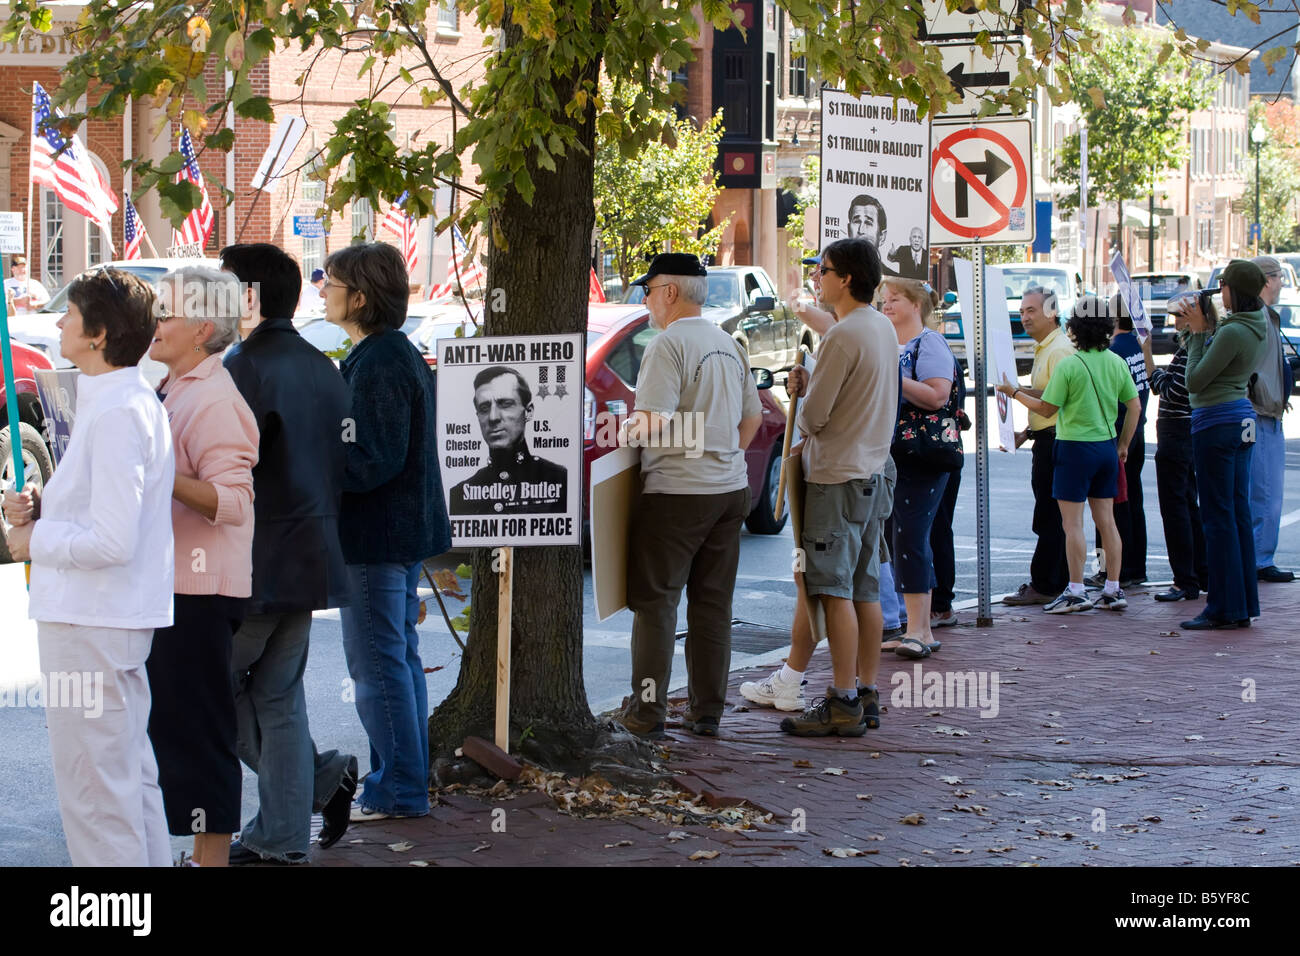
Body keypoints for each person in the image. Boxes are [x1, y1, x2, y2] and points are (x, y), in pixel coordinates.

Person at [0, 269, 173, 866]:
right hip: (101, 620)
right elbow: (105, 514)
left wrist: (36, 540)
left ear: (98, 334)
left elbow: (112, 538)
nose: (58, 323)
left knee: (96, 790)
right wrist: (43, 509)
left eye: (69, 315)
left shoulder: (121, 409)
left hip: (92, 621)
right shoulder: (121, 402)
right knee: (123, 779)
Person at [221, 242, 359, 864]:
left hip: (256, 562)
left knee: (206, 688)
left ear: (246, 296)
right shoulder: (322, 366)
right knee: (275, 698)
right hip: (311, 557)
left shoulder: (242, 368)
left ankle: (317, 785)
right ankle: (284, 829)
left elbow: (228, 476)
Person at [742, 244, 898, 730]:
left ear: (847, 279)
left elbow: (814, 415)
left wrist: (802, 390)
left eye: (823, 271)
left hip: (836, 478)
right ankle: (865, 693)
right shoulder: (881, 327)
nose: (817, 279)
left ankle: (843, 700)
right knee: (864, 588)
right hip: (872, 471)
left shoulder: (843, 335)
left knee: (833, 592)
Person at [324, 241, 451, 819]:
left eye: (331, 282)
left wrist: (313, 460)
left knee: (378, 668)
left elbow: (374, 457)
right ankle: (403, 778)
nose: (323, 291)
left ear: (360, 296)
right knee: (396, 661)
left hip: (378, 537)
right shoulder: (386, 354)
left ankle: (399, 788)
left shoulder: (379, 361)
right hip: (395, 534)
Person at [616, 253, 762, 739]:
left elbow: (652, 419)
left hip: (676, 492)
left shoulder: (667, 344)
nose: (645, 298)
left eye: (649, 289)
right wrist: (722, 457)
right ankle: (707, 711)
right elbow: (752, 420)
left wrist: (617, 435)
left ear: (671, 292)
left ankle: (647, 712)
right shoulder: (728, 342)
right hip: (729, 489)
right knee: (712, 605)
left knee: (656, 604)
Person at [144, 265, 258, 867]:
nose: (154, 324)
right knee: (174, 731)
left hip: (199, 592)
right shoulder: (174, 387)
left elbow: (234, 502)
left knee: (200, 734)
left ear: (203, 328)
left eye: (166, 314)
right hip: (170, 587)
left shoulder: (214, 396)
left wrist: (163, 476)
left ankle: (210, 861)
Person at [998, 295, 1140, 614]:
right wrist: (1123, 444)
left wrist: (1015, 393)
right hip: (1106, 447)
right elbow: (1134, 406)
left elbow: (1047, 406)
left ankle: (1075, 590)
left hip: (1074, 448)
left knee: (1072, 524)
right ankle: (1113, 588)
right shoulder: (1115, 361)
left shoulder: (1071, 364)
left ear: (1074, 327)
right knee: (1107, 522)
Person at [1176, 260, 1270, 630]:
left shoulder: (1233, 332)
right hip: (1240, 421)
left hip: (1217, 423)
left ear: (1236, 290)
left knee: (1217, 519)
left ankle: (1222, 608)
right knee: (1237, 515)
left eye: (1224, 287)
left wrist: (1199, 334)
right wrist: (1200, 330)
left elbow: (1196, 381)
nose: (1220, 293)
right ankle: (1241, 604)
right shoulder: (1256, 323)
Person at [880, 275, 958, 656]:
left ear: (916, 304)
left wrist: (893, 376)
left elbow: (937, 395)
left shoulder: (929, 343)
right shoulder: (888, 344)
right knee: (896, 537)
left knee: (911, 535)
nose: (887, 305)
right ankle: (914, 625)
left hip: (923, 454)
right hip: (892, 452)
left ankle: (921, 630)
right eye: (884, 300)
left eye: (895, 299)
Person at [1003, 287, 1075, 607]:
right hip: (1047, 437)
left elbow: (1050, 405)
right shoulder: (1047, 347)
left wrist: (1013, 393)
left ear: (1051, 312)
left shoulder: (1058, 350)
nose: (1024, 317)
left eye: (1031, 310)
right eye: (1022, 311)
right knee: (1050, 515)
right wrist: (1026, 431)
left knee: (1050, 516)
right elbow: (1046, 393)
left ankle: (1047, 584)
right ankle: (1053, 580)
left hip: (1057, 440)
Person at [1141, 291, 1208, 602]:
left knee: (1176, 508)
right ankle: (1198, 572)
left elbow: (1170, 390)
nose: (1175, 322)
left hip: (1177, 433)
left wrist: (1149, 357)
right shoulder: (1195, 347)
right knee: (1187, 503)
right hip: (1184, 432)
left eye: (1180, 315)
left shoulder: (1196, 347)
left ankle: (1185, 578)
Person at [449, 366, 568, 515]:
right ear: (478, 416)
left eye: (505, 404)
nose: (493, 417)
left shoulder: (561, 480)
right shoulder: (458, 495)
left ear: (528, 412)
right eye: (484, 408)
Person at [1089, 303, 1149, 587]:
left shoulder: (1113, 352)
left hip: (1118, 434)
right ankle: (1136, 567)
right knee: (1133, 503)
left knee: (1108, 510)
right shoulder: (1136, 347)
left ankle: (1109, 570)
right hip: (1137, 431)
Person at [1247, 256, 1294, 583]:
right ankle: (1260, 559)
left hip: (1268, 411)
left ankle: (1260, 556)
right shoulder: (1258, 319)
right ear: (1266, 279)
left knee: (1263, 492)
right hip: (1261, 415)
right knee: (1264, 492)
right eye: (1278, 277)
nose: (1281, 284)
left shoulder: (1263, 317)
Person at [845, 194, 898, 277]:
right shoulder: (836, 274)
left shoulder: (895, 279)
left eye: (868, 223)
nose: (861, 230)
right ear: (848, 230)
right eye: (857, 221)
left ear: (882, 237)